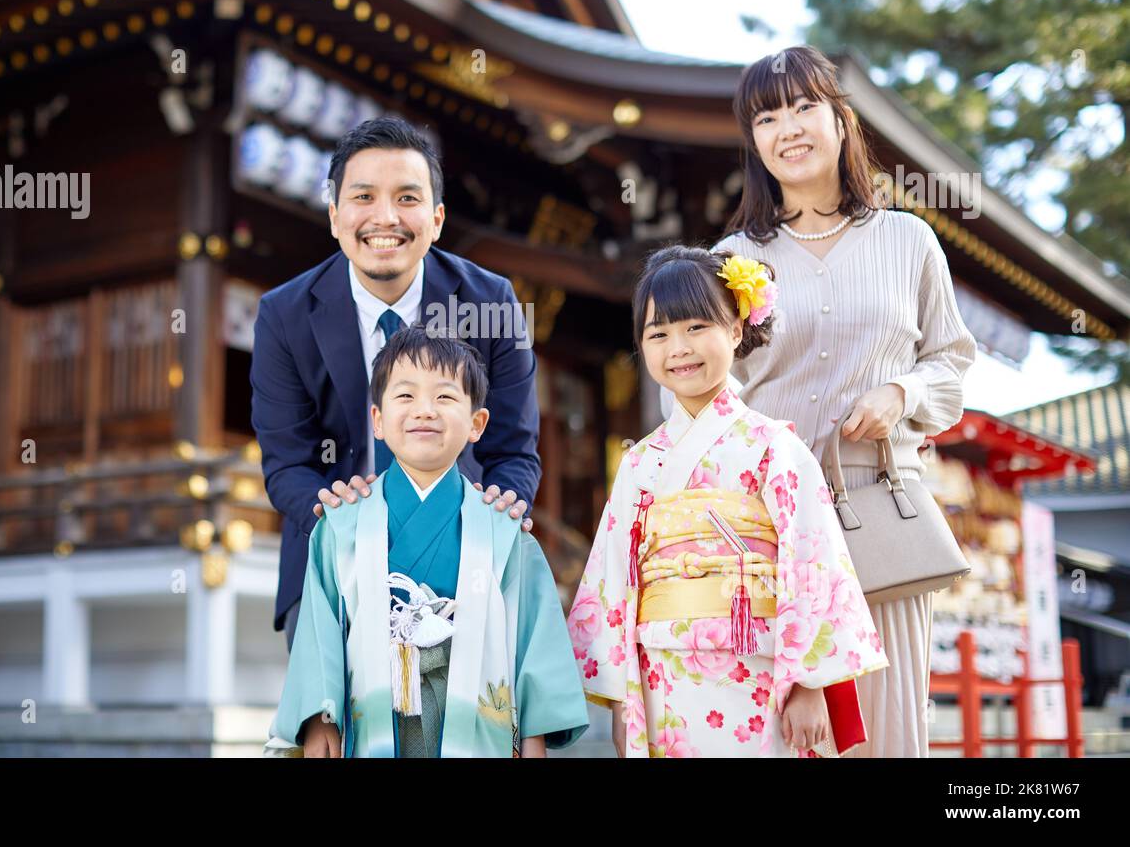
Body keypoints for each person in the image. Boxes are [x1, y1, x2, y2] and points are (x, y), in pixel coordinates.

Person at [709, 45, 977, 756]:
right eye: (767, 117)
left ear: (841, 120)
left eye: (805, 107)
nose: (788, 128)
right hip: (767, 519)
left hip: (881, 506)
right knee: (780, 732)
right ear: (754, 141)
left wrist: (901, 391)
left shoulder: (909, 239)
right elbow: (702, 390)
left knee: (887, 730)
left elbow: (953, 366)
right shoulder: (729, 261)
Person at [570, 245, 889, 757]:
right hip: (659, 671)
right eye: (658, 334)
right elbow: (612, 576)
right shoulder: (640, 463)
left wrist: (808, 683)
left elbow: (813, 559)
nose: (679, 348)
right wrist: (620, 700)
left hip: (757, 667)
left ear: (736, 330)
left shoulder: (774, 447)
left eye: (696, 327)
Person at [250, 116, 540, 650]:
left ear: (437, 218)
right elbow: (287, 463)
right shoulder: (284, 314)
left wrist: (492, 518)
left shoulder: (492, 302)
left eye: (407, 198)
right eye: (363, 197)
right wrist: (338, 517)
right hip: (331, 561)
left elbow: (514, 451)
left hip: (464, 559)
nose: (385, 218)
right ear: (335, 215)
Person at [271, 326, 588, 757]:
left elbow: (533, 638)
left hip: (477, 724)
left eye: (444, 397)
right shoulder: (342, 525)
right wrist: (318, 718)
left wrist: (533, 737)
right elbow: (318, 629)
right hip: (372, 720)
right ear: (377, 420)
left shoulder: (503, 529)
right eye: (405, 395)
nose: (424, 411)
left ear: (476, 424)